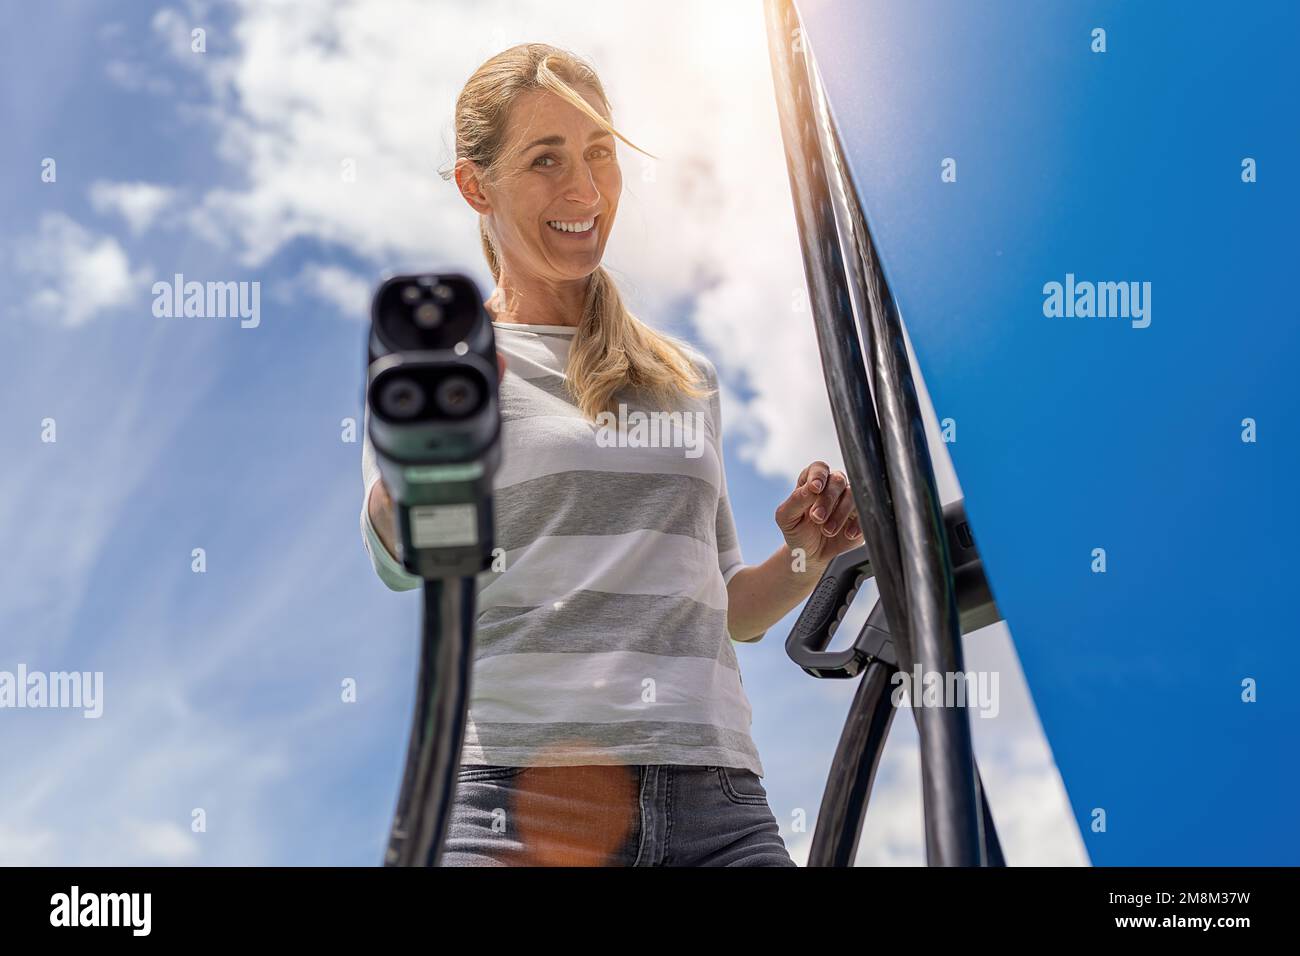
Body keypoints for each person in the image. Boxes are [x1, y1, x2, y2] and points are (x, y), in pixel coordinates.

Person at [360, 43, 863, 866]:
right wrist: (426, 459)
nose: (584, 191)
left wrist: (805, 557)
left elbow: (729, 610)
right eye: (545, 160)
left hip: (716, 804)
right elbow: (399, 557)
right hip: (514, 803)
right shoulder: (439, 371)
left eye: (599, 154)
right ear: (473, 185)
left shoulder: (684, 377)